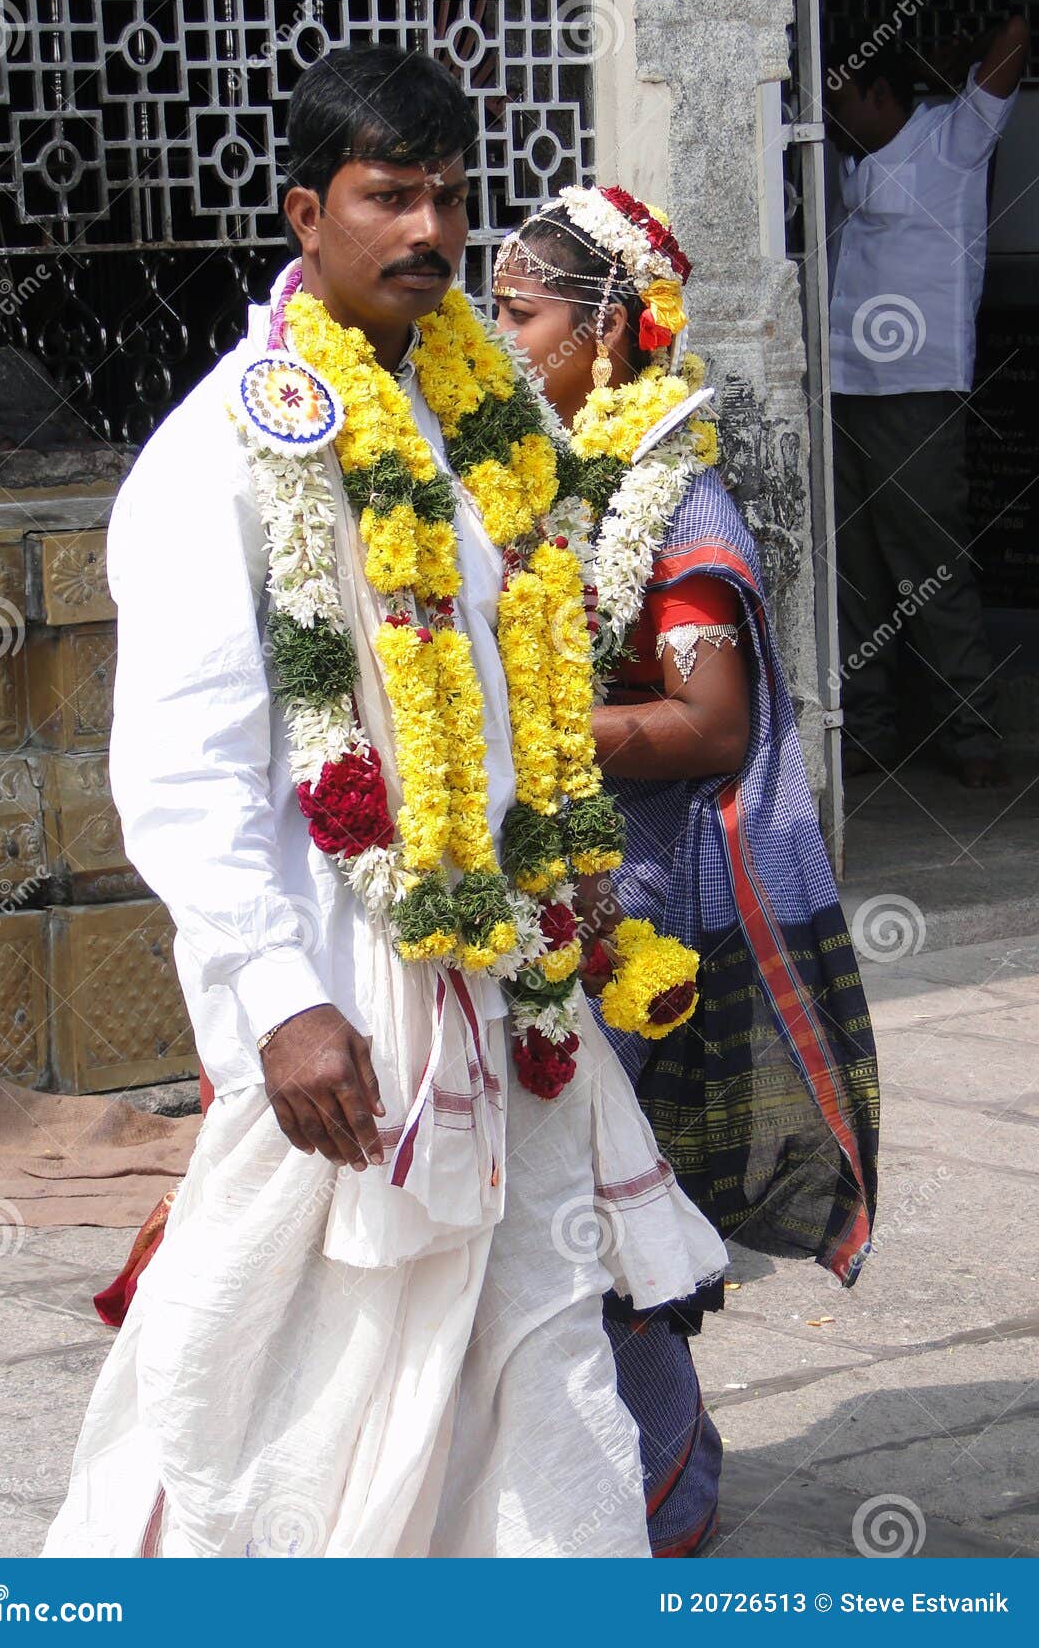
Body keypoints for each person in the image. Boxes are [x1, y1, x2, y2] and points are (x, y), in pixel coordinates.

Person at [42, 46, 726, 1560]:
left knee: (539, 1335)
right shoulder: (228, 446)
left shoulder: (480, 416)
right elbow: (180, 767)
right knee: (273, 1375)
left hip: (502, 969)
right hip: (340, 995)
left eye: (452, 199)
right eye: (388, 196)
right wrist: (283, 1000)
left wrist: (566, 864)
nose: (429, 231)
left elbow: (520, 681)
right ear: (307, 211)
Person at [493, 185, 882, 1554]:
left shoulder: (680, 499)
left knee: (597, 1202)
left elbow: (709, 723)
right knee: (578, 1204)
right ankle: (634, 1469)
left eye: (520, 315)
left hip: (645, 903)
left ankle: (664, 1482)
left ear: (609, 327)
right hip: (581, 883)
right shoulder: (565, 477)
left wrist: (513, 722)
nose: (501, 343)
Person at [824, 16, 1029, 788]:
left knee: (931, 566)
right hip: (840, 388)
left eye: (845, 95)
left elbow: (1012, 40)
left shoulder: (952, 139)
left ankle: (972, 730)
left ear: (882, 91)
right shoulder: (840, 157)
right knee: (852, 572)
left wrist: (953, 56)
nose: (832, 113)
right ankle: (866, 730)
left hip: (917, 393)